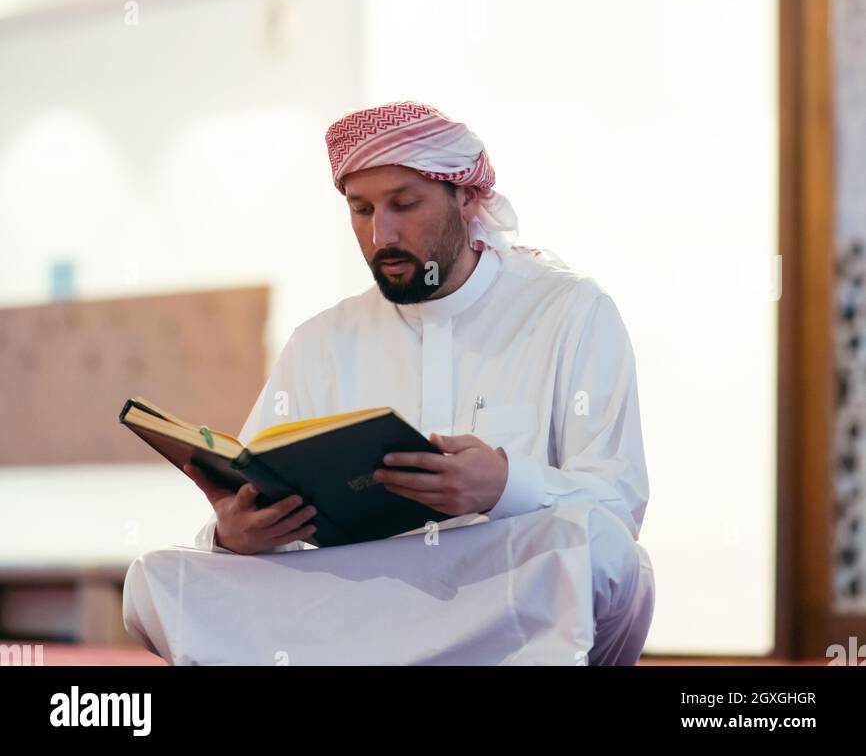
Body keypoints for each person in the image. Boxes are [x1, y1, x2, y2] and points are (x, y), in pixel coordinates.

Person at [123, 100, 655, 665]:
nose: (381, 233)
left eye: (404, 204)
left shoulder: (569, 310)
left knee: (598, 547)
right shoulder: (321, 341)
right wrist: (235, 534)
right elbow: (257, 480)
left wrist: (504, 485)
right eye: (361, 209)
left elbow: (616, 500)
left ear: (468, 198)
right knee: (157, 579)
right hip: (361, 592)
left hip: (499, 584)